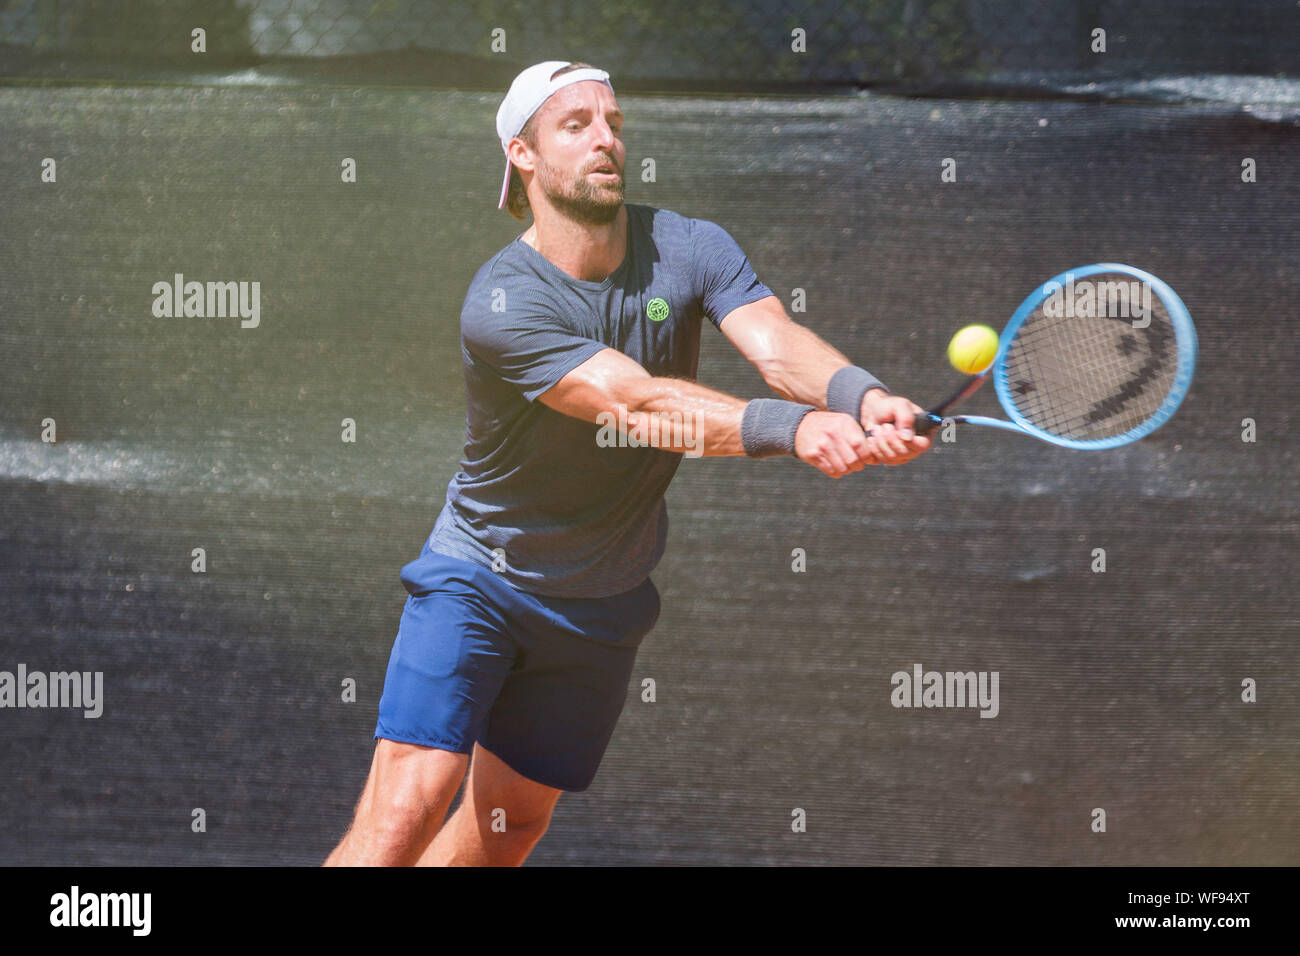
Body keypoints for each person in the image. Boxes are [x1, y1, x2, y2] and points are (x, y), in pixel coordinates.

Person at [325, 60, 931, 867]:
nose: (606, 137)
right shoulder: (503, 304)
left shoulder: (690, 245)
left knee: (505, 833)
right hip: (482, 578)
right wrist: (797, 429)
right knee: (407, 806)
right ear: (524, 156)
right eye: (575, 125)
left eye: (613, 122)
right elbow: (635, 406)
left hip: (602, 604)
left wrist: (861, 395)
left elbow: (776, 344)